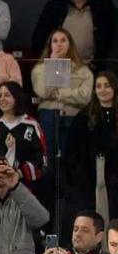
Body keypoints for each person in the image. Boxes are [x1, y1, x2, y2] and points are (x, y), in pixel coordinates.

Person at [30, 28, 94, 161]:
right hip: (49, 115)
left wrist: (60, 93)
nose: (59, 44)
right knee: (50, 158)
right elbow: (43, 92)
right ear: (50, 45)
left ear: (70, 44)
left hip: (73, 116)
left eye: (63, 40)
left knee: (71, 158)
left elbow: (85, 96)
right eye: (55, 41)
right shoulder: (40, 69)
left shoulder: (83, 70)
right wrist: (54, 65)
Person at [32, 0, 114, 68]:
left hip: (92, 69)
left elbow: (111, 43)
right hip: (59, 67)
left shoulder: (103, 10)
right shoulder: (53, 8)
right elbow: (38, 41)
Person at [66, 71, 118, 218]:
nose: (102, 90)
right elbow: (72, 149)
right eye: (99, 86)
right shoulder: (83, 117)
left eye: (107, 86)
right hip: (90, 177)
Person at [0, 82, 46, 189]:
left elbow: (42, 161)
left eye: (7, 95)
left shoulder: (32, 125)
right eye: (0, 95)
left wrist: (18, 173)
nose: (2, 99)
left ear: (17, 97)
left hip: (24, 187)